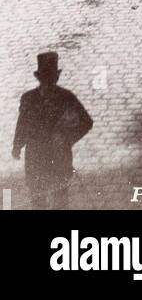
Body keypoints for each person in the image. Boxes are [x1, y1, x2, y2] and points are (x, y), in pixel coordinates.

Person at [12, 51, 93, 209]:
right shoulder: (28, 98)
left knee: (60, 198)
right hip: (36, 156)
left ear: (56, 78)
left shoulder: (66, 97)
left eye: (51, 78)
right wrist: (17, 146)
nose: (48, 83)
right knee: (37, 199)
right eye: (45, 78)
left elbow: (86, 122)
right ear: (40, 78)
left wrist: (67, 138)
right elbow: (22, 124)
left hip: (59, 155)